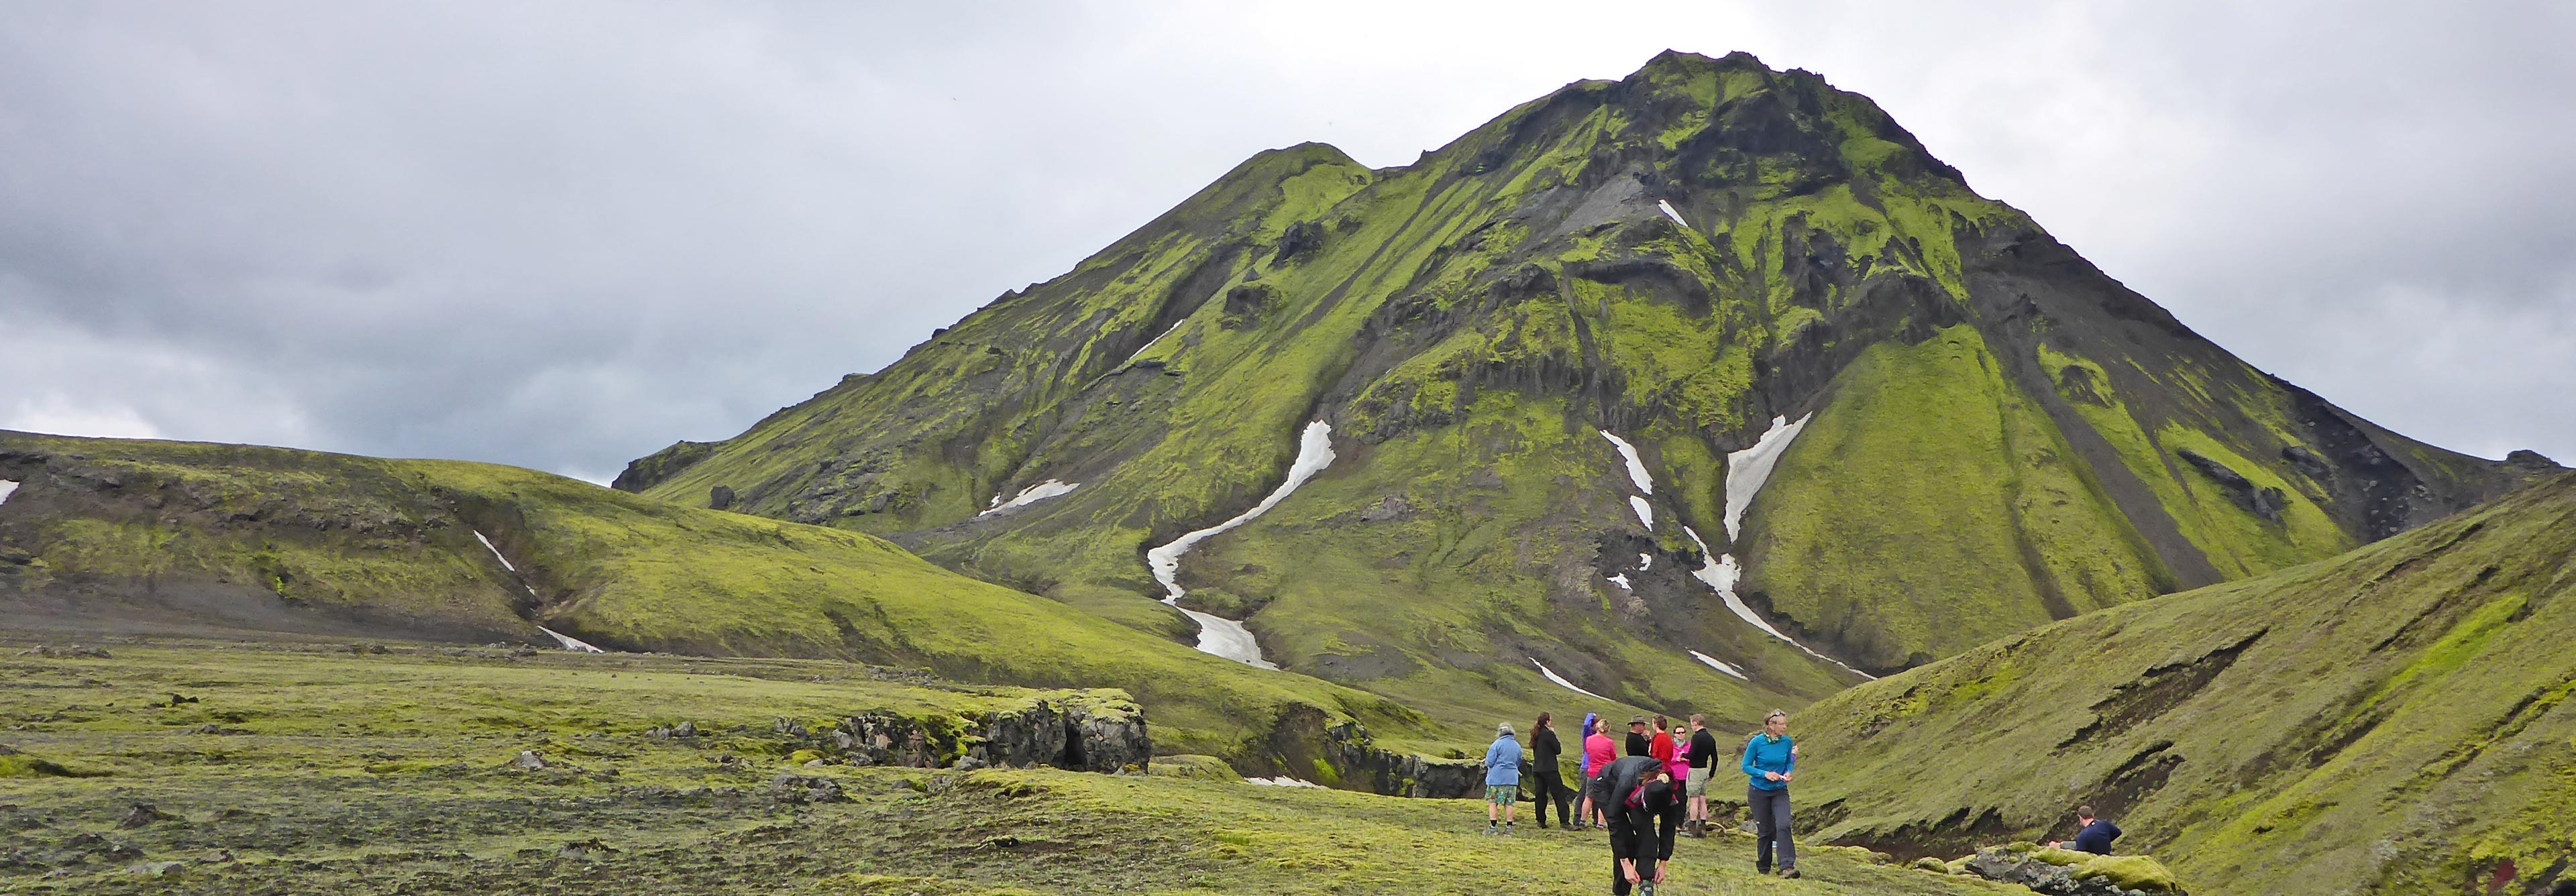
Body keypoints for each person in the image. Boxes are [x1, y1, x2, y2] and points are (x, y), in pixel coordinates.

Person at [1593, 754, 1686, 895]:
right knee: (1626, 837)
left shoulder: (1669, 791)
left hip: (1638, 788)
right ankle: (1621, 891)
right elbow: (1614, 822)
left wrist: (1663, 862)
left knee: (1647, 832)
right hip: (1608, 786)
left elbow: (1668, 827)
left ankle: (1646, 885)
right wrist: (1626, 864)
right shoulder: (1627, 782)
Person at [1742, 709, 1798, 878]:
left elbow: (1789, 762)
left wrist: (1788, 772)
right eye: (1782, 724)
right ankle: (1764, 867)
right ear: (1770, 725)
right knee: (1765, 830)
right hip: (1758, 792)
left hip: (1780, 791)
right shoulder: (1757, 743)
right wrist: (1765, 774)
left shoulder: (1787, 742)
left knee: (1783, 825)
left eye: (1785, 724)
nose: (1785, 727)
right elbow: (1746, 766)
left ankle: (1787, 866)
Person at [1529, 712, 1572, 830]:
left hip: (1538, 768)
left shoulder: (1535, 734)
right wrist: (1553, 734)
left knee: (1540, 795)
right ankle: (1564, 821)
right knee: (1559, 795)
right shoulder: (1549, 734)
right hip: (1550, 769)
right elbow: (1558, 749)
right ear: (1547, 722)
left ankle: (1540, 820)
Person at [1483, 722, 1523, 835]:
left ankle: (1493, 828)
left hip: (1497, 779)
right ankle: (1509, 828)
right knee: (1509, 804)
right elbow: (1518, 761)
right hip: (1512, 779)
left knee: (1493, 802)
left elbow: (1490, 762)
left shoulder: (1497, 745)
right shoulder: (1517, 746)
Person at [1581, 716, 1618, 830]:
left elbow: (1587, 751)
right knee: (1604, 799)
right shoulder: (1609, 743)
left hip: (1591, 771)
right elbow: (1613, 757)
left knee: (1588, 797)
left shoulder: (1589, 740)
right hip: (1604, 773)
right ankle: (1601, 824)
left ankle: (1582, 820)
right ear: (1607, 729)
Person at [1684, 714, 1718, 838]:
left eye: (1692, 723)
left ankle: (1692, 828)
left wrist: (1683, 755)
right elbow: (1715, 758)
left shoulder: (1696, 737)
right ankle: (1703, 826)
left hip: (1695, 770)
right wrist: (1711, 773)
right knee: (1702, 800)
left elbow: (1692, 754)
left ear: (1696, 723)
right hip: (1705, 770)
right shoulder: (1710, 738)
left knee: (1694, 799)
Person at [2050, 805, 2123, 854]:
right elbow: (2118, 832)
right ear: (2092, 815)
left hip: (2092, 856)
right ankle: (2060, 845)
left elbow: (2080, 855)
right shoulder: (2103, 824)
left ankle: (2058, 846)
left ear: (2080, 818)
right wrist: (2104, 841)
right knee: (2068, 844)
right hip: (2105, 853)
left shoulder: (2083, 835)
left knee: (2067, 846)